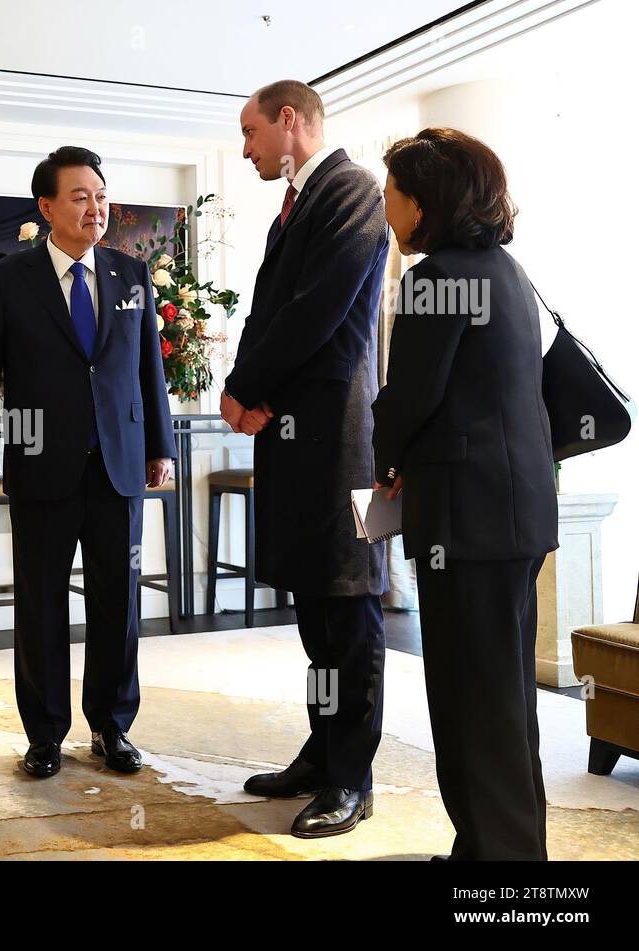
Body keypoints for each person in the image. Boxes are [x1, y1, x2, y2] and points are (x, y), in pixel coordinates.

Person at [373, 128, 558, 861]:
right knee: (507, 702)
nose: (385, 204)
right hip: (515, 513)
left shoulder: (434, 278)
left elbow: (410, 397)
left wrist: (385, 459)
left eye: (393, 191)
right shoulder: (508, 271)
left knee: (468, 703)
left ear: (423, 203)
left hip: (465, 521)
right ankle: (504, 850)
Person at [0, 146, 175, 779]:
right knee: (41, 605)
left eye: (102, 196)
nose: (96, 208)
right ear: (47, 207)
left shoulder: (130, 274)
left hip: (119, 462)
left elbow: (150, 370)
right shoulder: (7, 279)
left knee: (118, 601)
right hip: (39, 463)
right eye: (81, 197)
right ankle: (45, 733)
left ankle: (112, 727)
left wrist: (161, 444)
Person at [222, 80, 389, 838]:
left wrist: (250, 387)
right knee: (314, 611)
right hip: (294, 434)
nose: (247, 147)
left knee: (348, 610)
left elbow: (319, 312)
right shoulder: (292, 205)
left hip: (340, 442)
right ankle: (322, 751)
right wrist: (244, 391)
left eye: (252, 132)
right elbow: (268, 313)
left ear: (290, 122)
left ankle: (354, 776)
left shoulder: (352, 189)